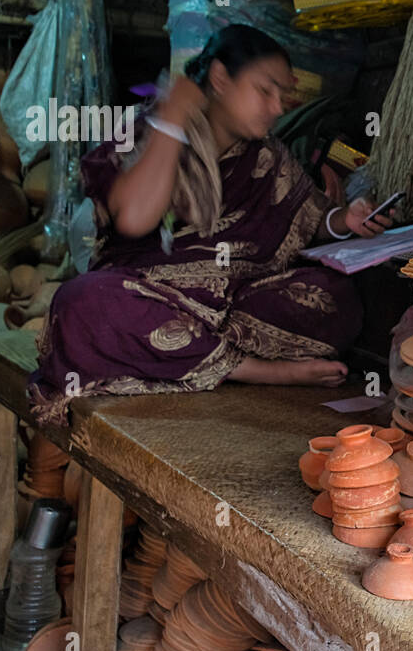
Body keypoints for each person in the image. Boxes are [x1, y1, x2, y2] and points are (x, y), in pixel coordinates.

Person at [27, 25, 392, 426]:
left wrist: (347, 219)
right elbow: (135, 217)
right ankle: (254, 370)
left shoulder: (266, 155)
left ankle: (187, 354)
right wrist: (172, 122)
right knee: (83, 303)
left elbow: (310, 216)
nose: (276, 107)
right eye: (265, 91)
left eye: (281, 96)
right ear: (220, 78)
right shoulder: (147, 130)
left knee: (334, 296)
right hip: (150, 296)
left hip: (237, 300)